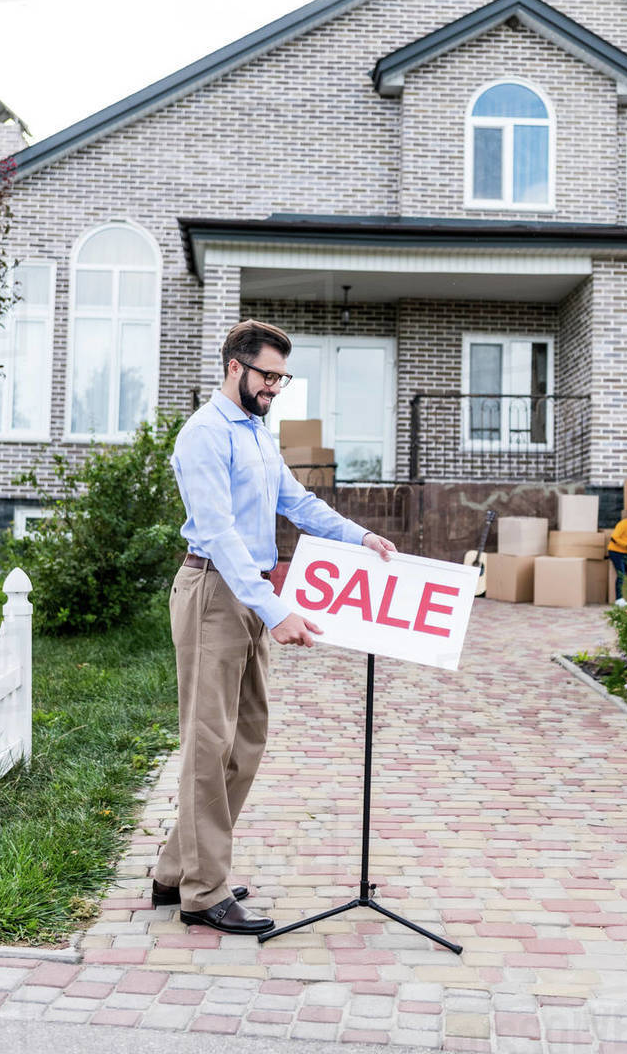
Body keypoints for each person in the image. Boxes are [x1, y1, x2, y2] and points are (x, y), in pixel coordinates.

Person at [151, 319, 396, 935]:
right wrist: (275, 608)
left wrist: (360, 536)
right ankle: (203, 894)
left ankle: (176, 868)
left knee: (247, 739)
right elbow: (217, 533)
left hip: (247, 593)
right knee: (209, 745)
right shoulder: (205, 435)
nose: (276, 388)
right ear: (235, 367)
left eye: (282, 377)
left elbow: (296, 501)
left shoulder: (257, 431)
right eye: (268, 375)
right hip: (215, 590)